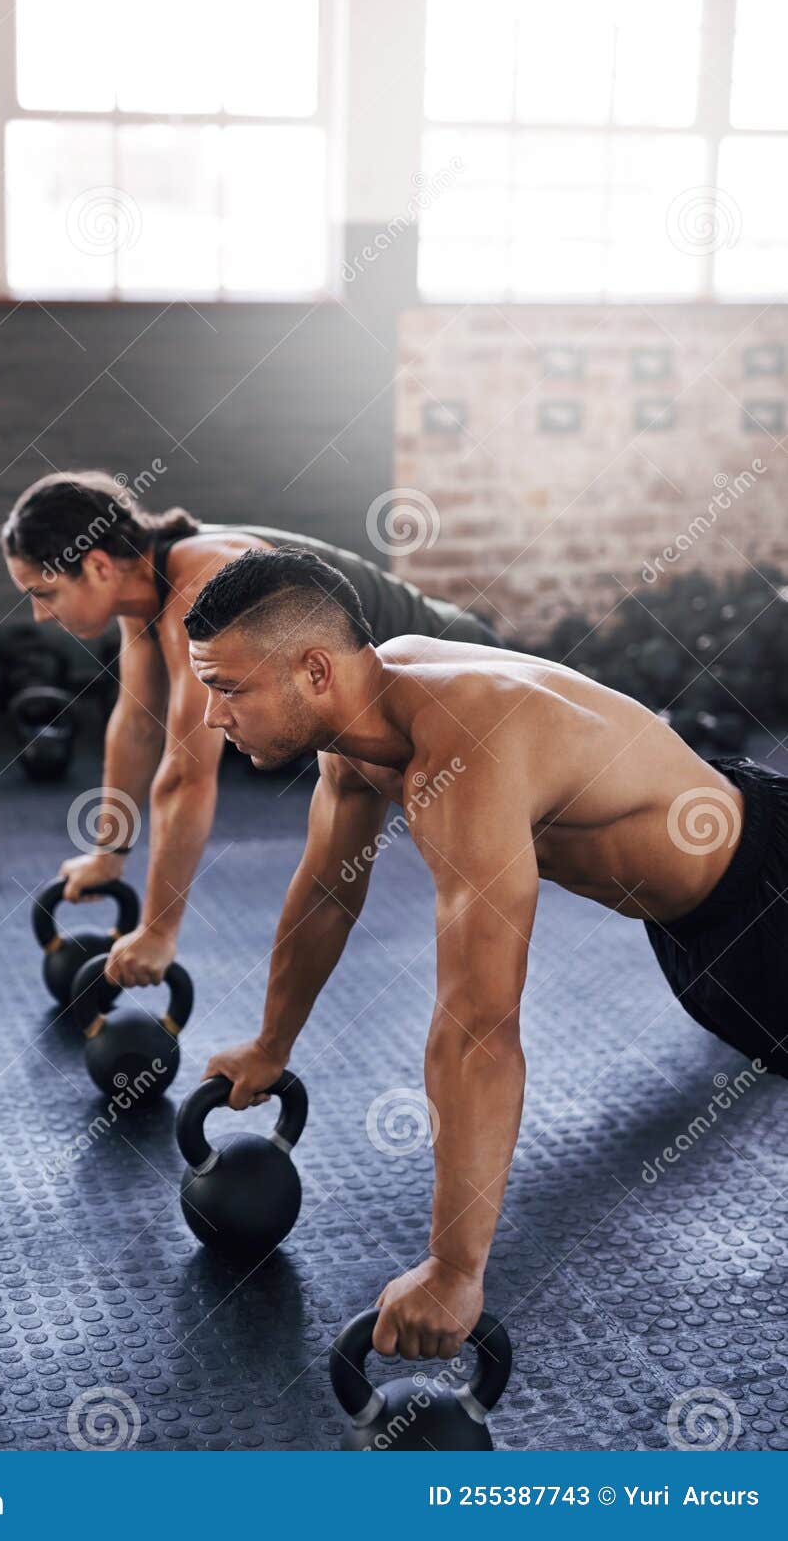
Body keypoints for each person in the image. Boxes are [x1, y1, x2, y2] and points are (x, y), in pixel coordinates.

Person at [182, 547, 788, 1363]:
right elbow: (327, 896)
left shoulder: (464, 750)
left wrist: (454, 1267)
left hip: (767, 912)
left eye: (226, 688)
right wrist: (271, 1043)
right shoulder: (362, 720)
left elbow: (479, 1027)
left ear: (315, 670)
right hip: (713, 906)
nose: (213, 717)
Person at [1, 471, 497, 987]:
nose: (39, 615)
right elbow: (138, 727)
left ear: (99, 566)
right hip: (380, 708)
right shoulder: (144, 590)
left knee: (506, 876)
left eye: (44, 592)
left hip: (463, 672)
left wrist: (157, 930)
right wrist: (108, 855)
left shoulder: (199, 582)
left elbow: (187, 774)